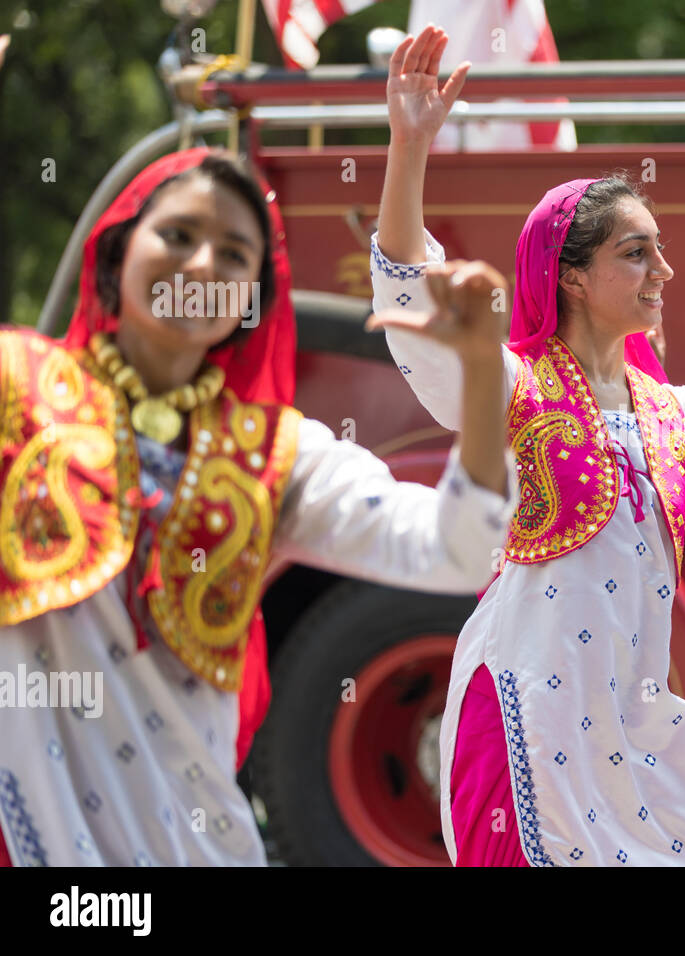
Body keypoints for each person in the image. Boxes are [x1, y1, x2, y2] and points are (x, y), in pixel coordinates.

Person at [368, 25, 685, 866]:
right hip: (528, 719)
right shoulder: (510, 385)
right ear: (571, 275)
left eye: (661, 251)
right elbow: (411, 303)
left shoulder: (670, 413)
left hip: (641, 730)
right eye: (636, 252)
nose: (664, 271)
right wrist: (409, 144)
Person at [0, 146, 515, 866]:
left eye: (234, 253)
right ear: (118, 253)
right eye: (177, 235)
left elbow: (458, 551)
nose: (203, 265)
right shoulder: (18, 389)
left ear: (251, 299)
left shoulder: (274, 454)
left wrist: (484, 372)